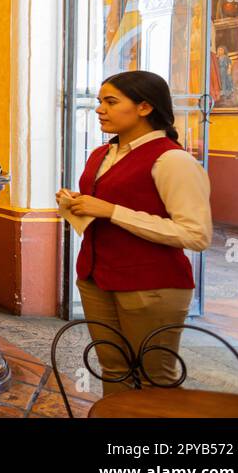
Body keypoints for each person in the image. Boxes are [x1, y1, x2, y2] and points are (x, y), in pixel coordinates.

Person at [57, 70, 212, 396]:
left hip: (151, 285)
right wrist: (76, 207)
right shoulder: (102, 154)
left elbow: (196, 235)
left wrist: (111, 211)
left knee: (156, 377)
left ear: (144, 107)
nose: (100, 109)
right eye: (100, 101)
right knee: (114, 371)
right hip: (95, 278)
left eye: (111, 102)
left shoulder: (172, 160)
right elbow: (103, 217)